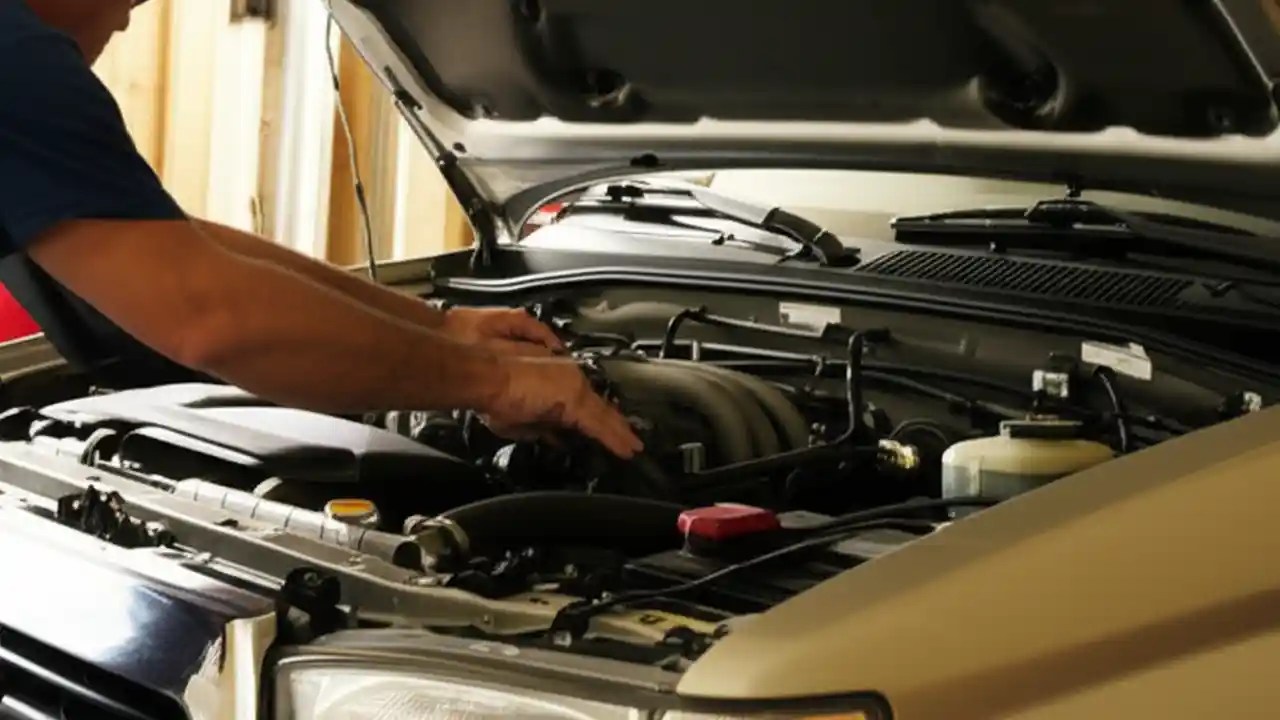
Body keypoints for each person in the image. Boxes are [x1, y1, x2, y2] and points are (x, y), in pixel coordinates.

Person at [0, 0, 643, 458]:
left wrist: (441, 328)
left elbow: (169, 245)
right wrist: (494, 381)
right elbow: (210, 313)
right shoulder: (17, 59)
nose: (126, 17)